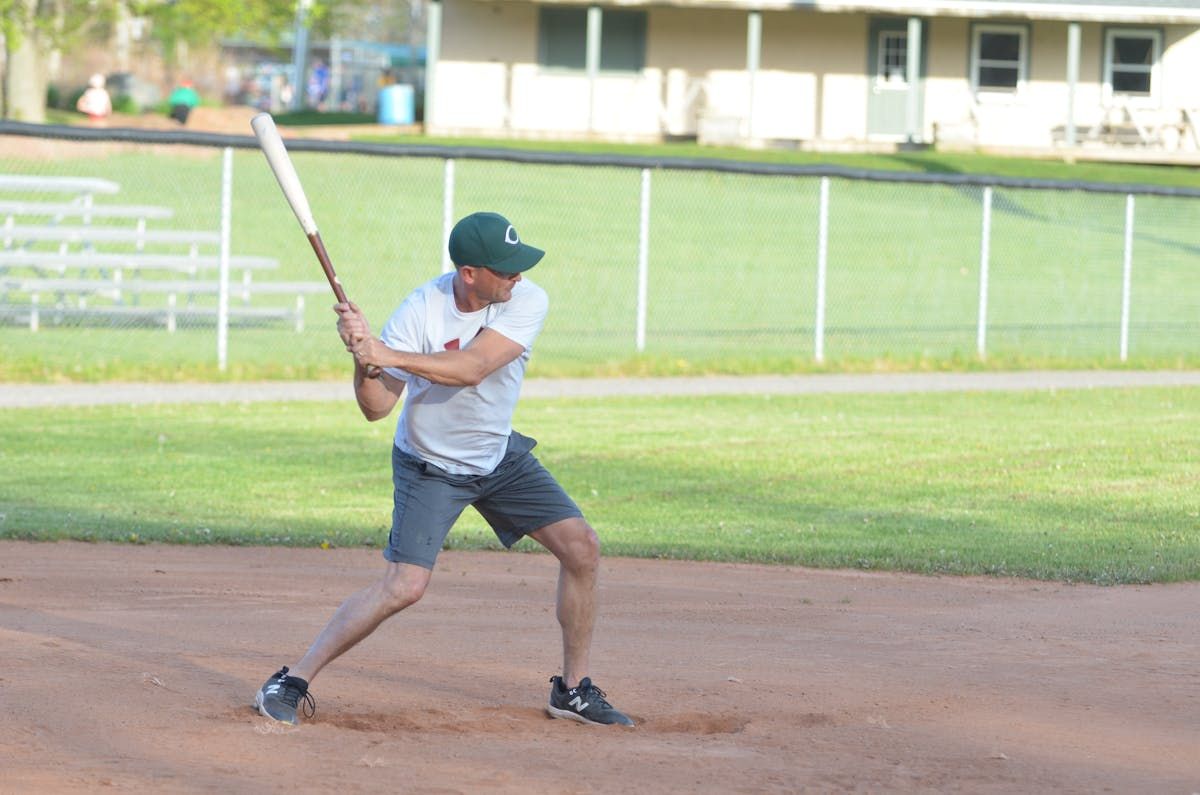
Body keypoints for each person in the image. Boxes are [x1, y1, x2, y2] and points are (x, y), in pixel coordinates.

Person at [253, 211, 634, 728]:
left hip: (497, 456)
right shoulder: (420, 310)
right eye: (505, 269)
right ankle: (291, 680)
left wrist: (390, 353)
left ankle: (572, 691)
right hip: (430, 465)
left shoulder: (526, 300)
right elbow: (376, 406)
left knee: (581, 547)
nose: (517, 276)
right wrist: (363, 358)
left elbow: (473, 368)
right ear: (470, 272)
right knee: (403, 586)